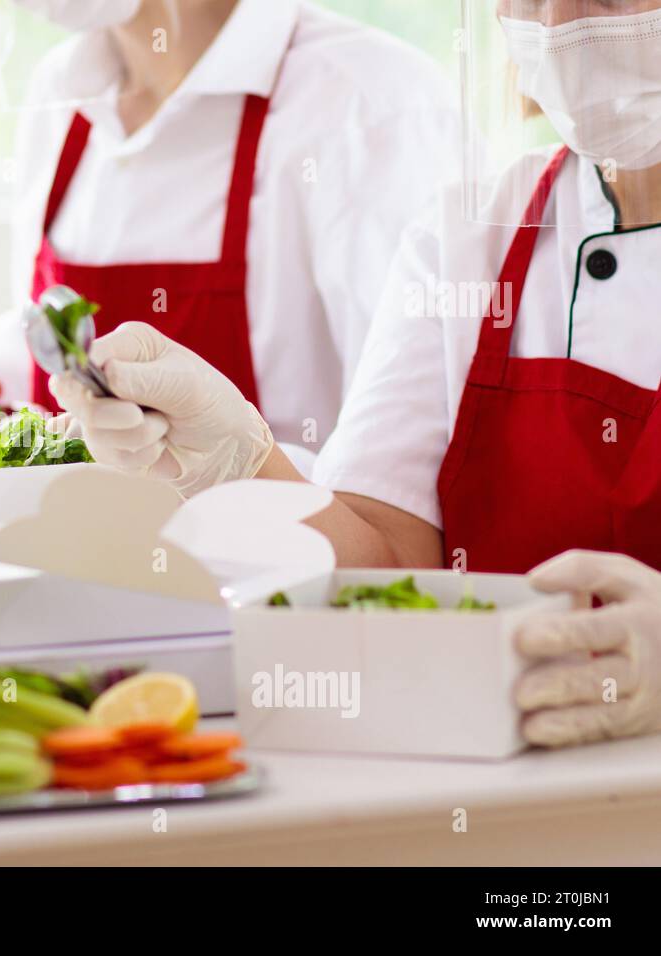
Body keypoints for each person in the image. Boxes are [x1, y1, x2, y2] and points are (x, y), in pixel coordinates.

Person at [51, 0, 661, 747]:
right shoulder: (467, 240)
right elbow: (388, 567)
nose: (559, 18)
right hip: (485, 800)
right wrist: (236, 461)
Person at [0, 0, 458, 464]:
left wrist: (237, 470)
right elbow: (47, 382)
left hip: (261, 614)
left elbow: (406, 470)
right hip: (69, 592)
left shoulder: (368, 105)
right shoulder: (64, 92)